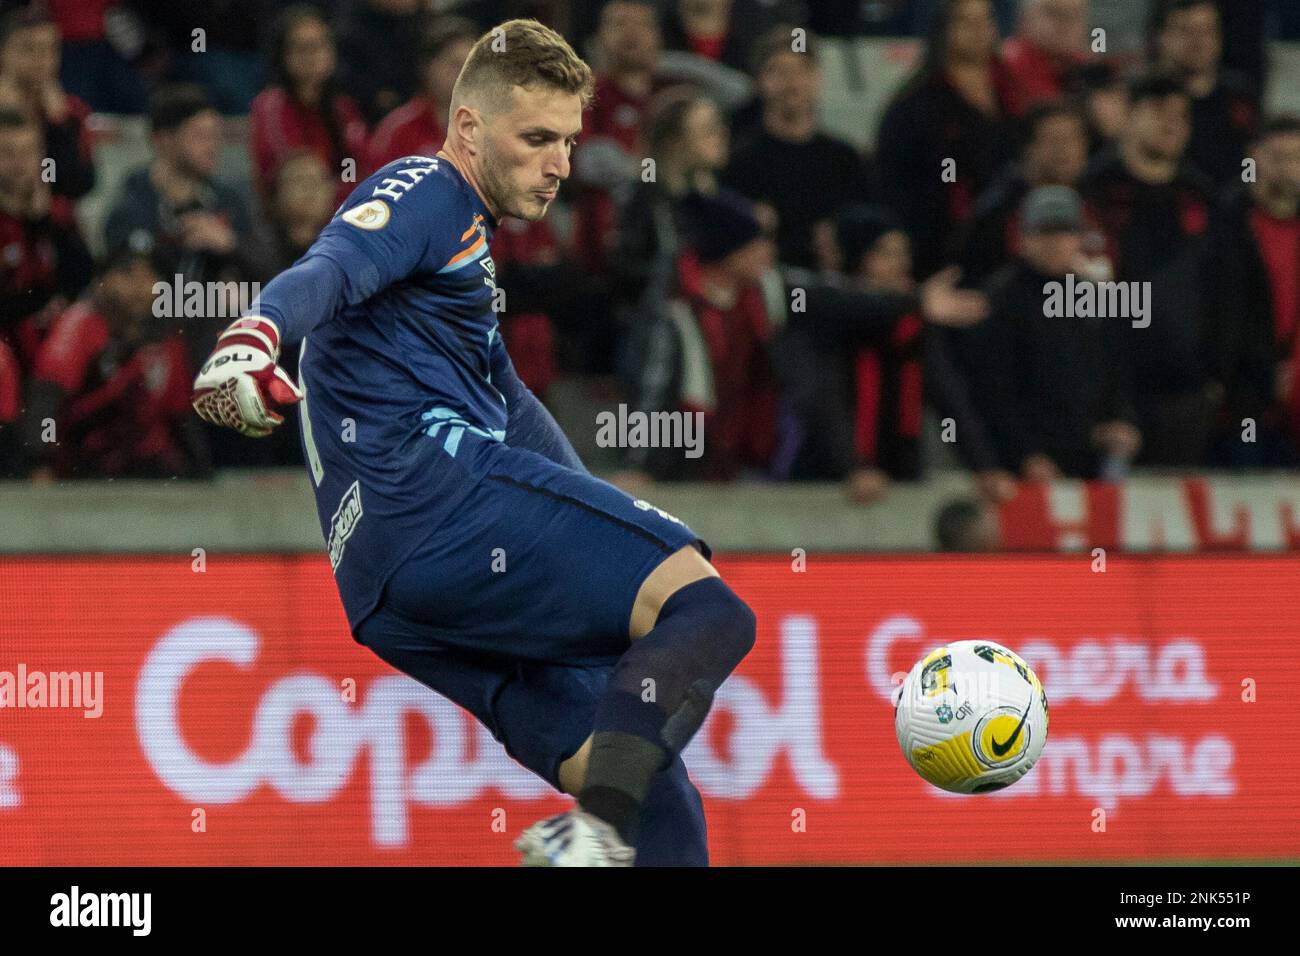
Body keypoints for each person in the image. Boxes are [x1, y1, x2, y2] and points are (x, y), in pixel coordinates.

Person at [190, 19, 754, 868]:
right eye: (534, 138)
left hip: (389, 596)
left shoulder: (463, 269)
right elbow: (333, 265)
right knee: (710, 609)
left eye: (568, 141)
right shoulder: (428, 187)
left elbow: (511, 406)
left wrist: (596, 523)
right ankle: (591, 835)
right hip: (440, 501)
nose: (558, 163)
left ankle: (600, 825)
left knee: (646, 780)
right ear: (467, 129)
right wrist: (254, 336)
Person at [18, 246, 211, 479]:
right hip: (79, 473)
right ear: (102, 280)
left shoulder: (167, 340)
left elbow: (181, 417)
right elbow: (45, 407)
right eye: (127, 274)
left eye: (150, 275)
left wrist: (201, 472)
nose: (139, 286)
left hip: (146, 471)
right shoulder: (80, 328)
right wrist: (41, 463)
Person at [249, 5, 368, 206]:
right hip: (288, 216)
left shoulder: (343, 108)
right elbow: (292, 176)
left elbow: (360, 168)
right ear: (283, 55)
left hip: (339, 214)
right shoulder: (271, 105)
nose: (311, 56)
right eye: (301, 47)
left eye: (318, 46)